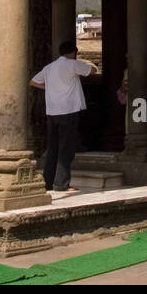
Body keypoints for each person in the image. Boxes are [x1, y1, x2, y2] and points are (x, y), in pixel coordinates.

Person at [31, 41, 94, 193]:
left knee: (52, 148)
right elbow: (91, 70)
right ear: (73, 53)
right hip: (68, 110)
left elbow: (33, 82)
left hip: (52, 112)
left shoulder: (49, 67)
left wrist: (49, 87)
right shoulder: (72, 64)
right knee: (66, 149)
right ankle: (61, 184)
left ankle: (48, 182)